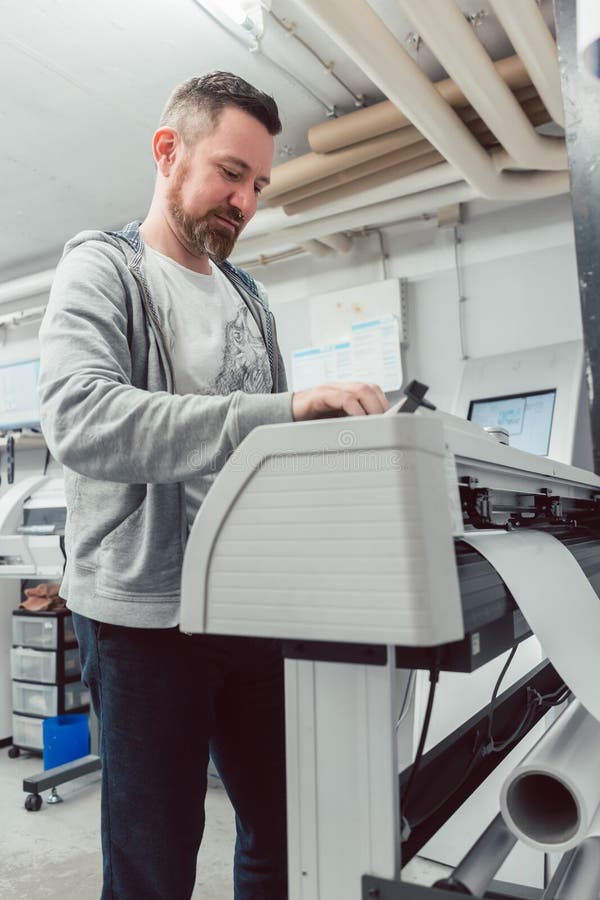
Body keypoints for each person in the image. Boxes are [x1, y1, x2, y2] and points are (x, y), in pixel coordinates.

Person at [38, 71, 388, 900]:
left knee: (284, 832)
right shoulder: (103, 269)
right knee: (155, 862)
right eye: (232, 173)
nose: (246, 201)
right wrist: (277, 410)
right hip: (144, 619)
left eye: (260, 185)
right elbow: (83, 420)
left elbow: (265, 448)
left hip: (250, 606)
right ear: (169, 151)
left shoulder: (250, 300)